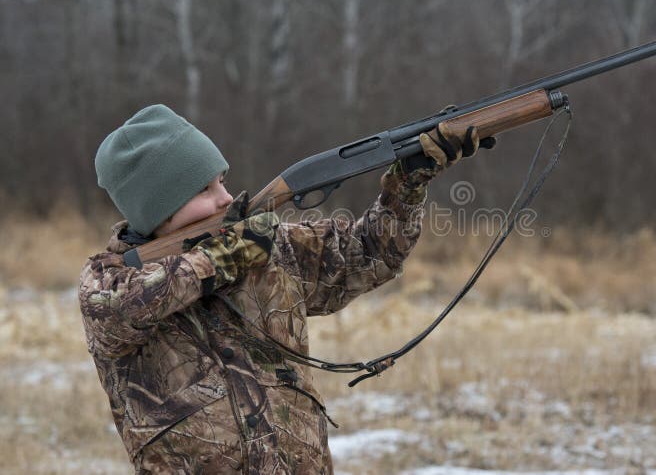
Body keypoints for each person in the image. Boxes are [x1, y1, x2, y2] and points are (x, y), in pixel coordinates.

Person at [79, 104, 483, 474]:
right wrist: (222, 258)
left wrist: (408, 183)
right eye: (204, 190)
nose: (225, 198)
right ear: (156, 207)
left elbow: (369, 252)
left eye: (222, 181)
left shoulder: (264, 247)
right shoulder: (110, 279)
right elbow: (120, 309)